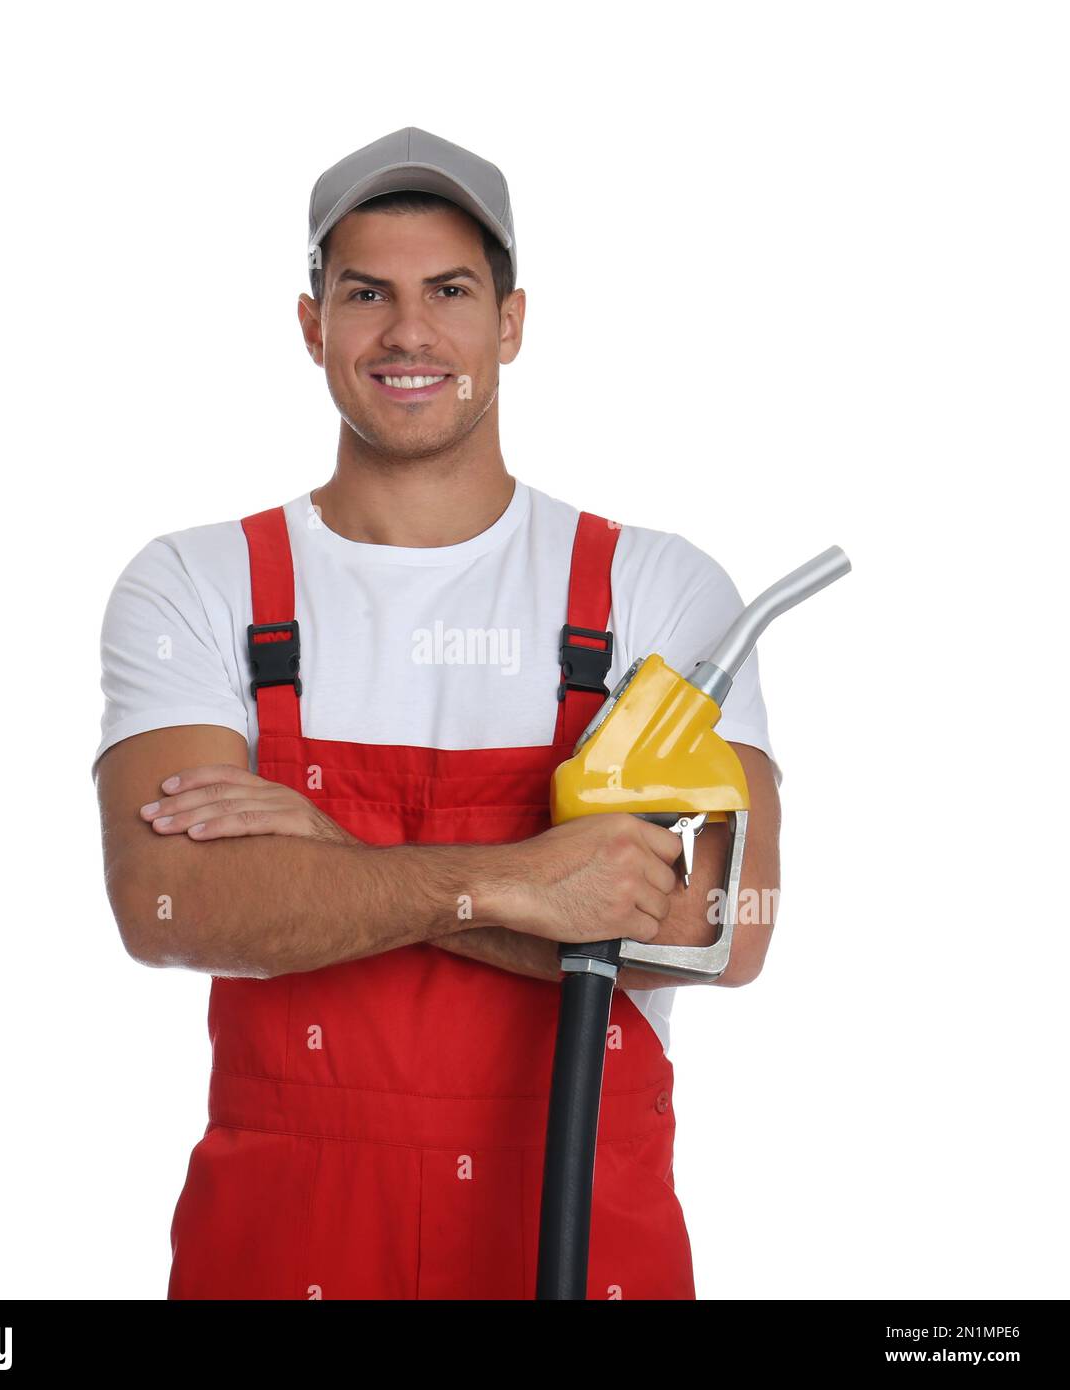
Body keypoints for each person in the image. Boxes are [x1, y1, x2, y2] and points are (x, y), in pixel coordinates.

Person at [93, 126, 782, 1301]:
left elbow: (723, 927)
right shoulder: (197, 584)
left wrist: (329, 859)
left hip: (572, 1238)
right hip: (282, 1248)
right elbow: (174, 904)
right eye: (367, 292)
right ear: (311, 324)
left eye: (450, 291)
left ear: (511, 322)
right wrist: (528, 884)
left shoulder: (653, 592)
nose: (408, 333)